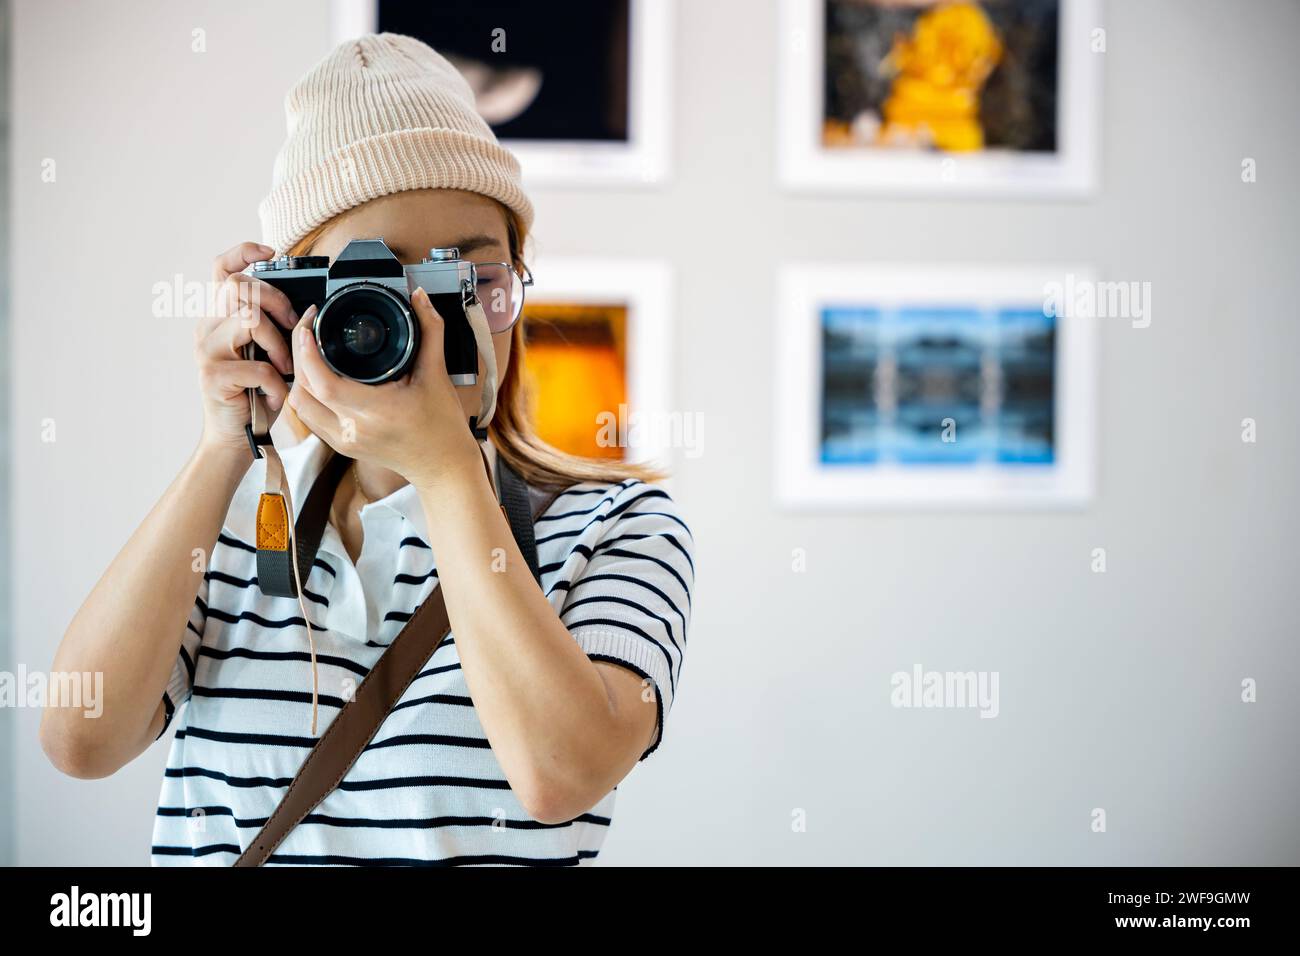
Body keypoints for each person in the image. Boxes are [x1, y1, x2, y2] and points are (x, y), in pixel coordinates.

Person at [40, 33, 693, 867]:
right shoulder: (230, 522)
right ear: (289, 302)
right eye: (383, 285)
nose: (424, 322)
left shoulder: (617, 525)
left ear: (516, 289)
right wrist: (221, 447)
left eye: (469, 280)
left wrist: (449, 467)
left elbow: (563, 778)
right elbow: (78, 743)